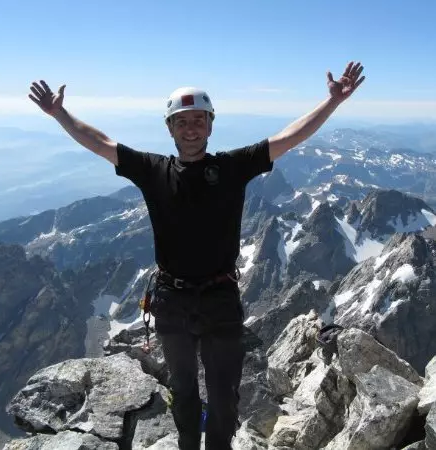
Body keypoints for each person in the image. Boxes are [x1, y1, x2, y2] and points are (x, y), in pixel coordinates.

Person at [29, 61, 364, 450]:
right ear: (170, 128)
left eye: (198, 120)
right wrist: (60, 114)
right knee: (183, 389)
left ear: (210, 125)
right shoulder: (152, 169)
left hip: (220, 299)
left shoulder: (232, 167)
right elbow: (99, 141)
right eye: (182, 122)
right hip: (171, 301)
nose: (191, 129)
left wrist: (332, 102)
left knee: (224, 397)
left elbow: (289, 137)